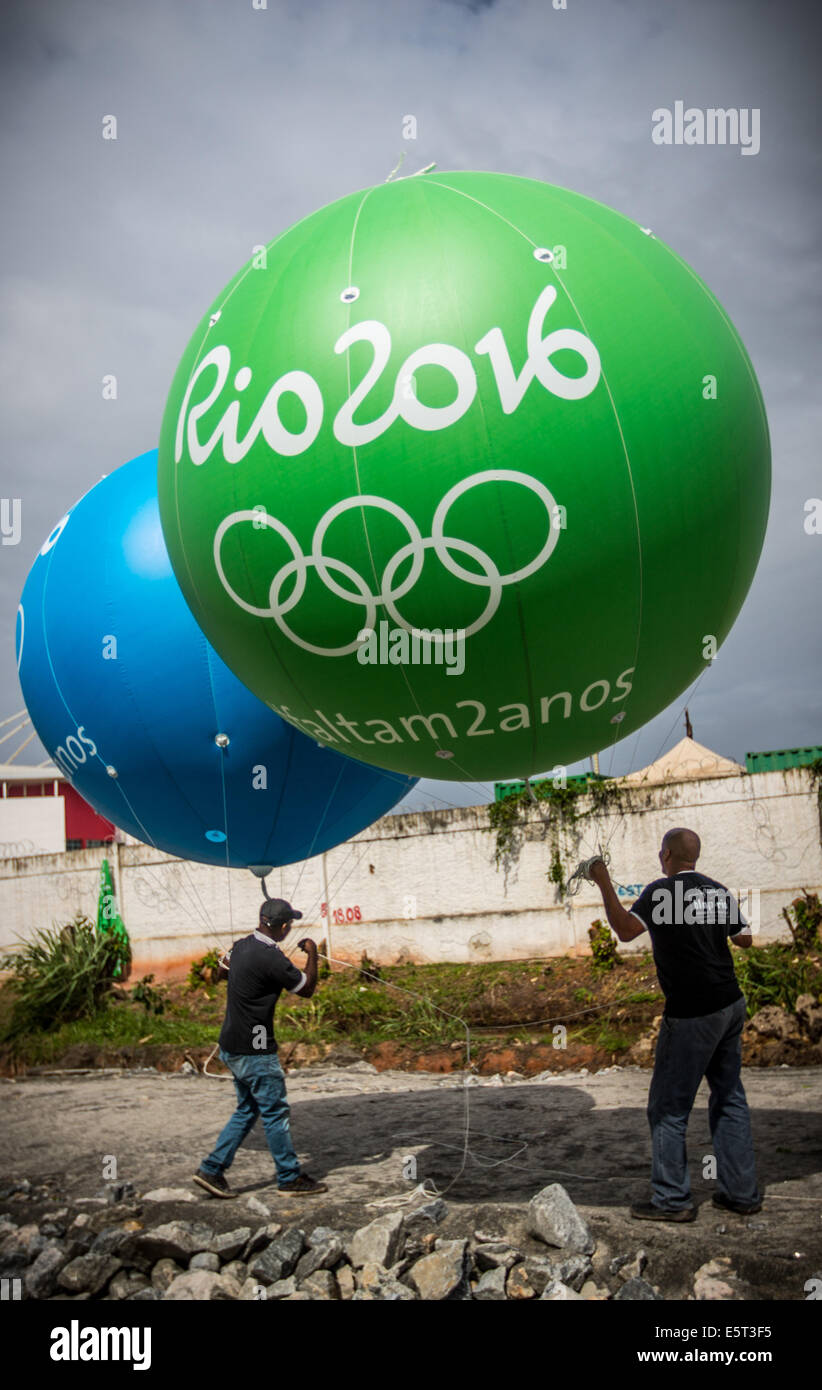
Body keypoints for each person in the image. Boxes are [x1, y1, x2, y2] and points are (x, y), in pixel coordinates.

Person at [586, 827, 761, 1221]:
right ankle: (741, 1193)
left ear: (666, 855)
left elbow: (627, 931)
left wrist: (603, 882)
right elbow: (745, 939)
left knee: (667, 1108)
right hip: (730, 1004)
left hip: (692, 1013)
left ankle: (672, 1200)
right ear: (693, 858)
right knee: (729, 1097)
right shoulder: (717, 890)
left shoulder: (660, 893)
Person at [193, 896, 327, 1198]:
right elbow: (306, 989)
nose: (289, 930)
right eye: (289, 924)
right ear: (281, 927)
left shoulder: (240, 947)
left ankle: (212, 1170)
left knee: (248, 1108)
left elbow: (221, 972)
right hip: (255, 1048)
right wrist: (313, 954)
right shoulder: (271, 958)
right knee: (275, 1112)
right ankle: (289, 1177)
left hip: (231, 1043)